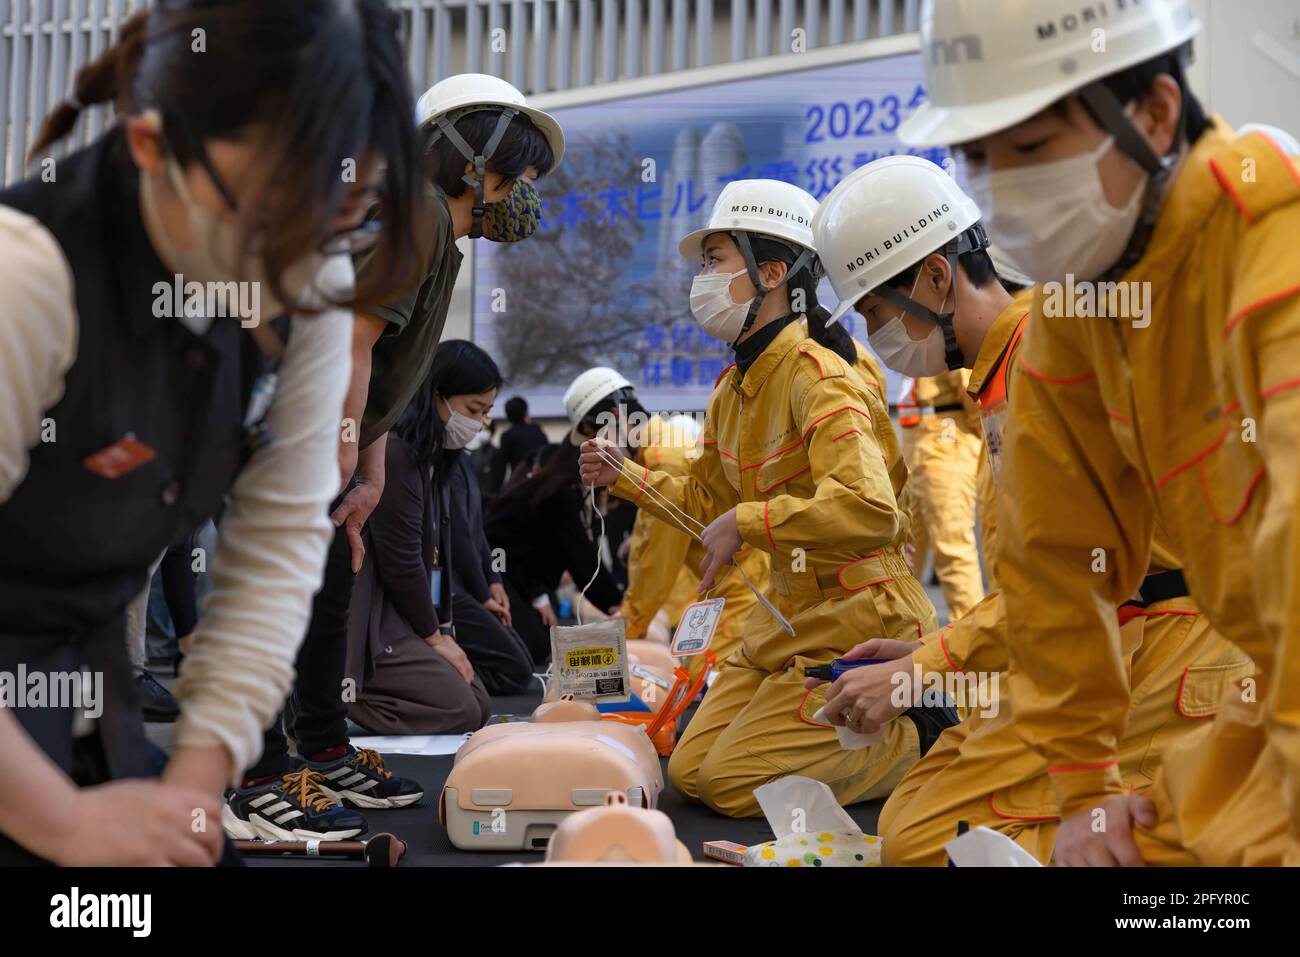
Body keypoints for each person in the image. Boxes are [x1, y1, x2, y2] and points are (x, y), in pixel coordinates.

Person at [0, 0, 429, 865]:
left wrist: (194, 795)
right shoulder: (28, 275)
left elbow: (274, 546)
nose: (300, 260)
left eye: (341, 211)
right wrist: (62, 823)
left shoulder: (310, 263)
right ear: (154, 147)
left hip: (84, 712)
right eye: (268, 218)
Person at [899, 0, 1300, 867]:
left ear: (1155, 112)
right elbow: (1054, 562)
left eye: (1032, 149)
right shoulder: (1084, 308)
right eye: (978, 157)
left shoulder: (1276, 248)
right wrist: (1084, 788)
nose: (1002, 188)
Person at [807, 155, 1251, 865]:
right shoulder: (1012, 369)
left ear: (935, 278)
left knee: (921, 836)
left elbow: (1071, 578)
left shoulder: (1044, 362)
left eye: (876, 312)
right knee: (917, 822)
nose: (876, 337)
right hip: (1121, 643)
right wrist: (930, 657)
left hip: (1169, 656)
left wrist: (926, 666)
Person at [232, 72, 564, 840]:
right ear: (463, 162)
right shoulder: (412, 212)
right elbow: (349, 339)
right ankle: (247, 782)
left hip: (315, 427)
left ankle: (317, 744)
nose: (523, 192)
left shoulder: (435, 234)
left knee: (325, 585)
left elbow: (384, 366)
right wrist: (340, 455)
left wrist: (369, 468)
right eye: (515, 173)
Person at [580, 179, 951, 818]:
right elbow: (706, 502)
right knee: (690, 773)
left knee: (729, 785)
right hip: (785, 617)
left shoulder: (819, 374)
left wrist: (748, 520)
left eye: (716, 260)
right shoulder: (733, 390)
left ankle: (929, 733)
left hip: (859, 616)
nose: (703, 278)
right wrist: (626, 478)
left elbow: (869, 510)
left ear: (772, 272)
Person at [343, 342, 506, 740]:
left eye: (486, 412)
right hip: (380, 622)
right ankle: (338, 697)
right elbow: (403, 563)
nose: (481, 423)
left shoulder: (436, 460)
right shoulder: (397, 455)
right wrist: (435, 638)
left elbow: (441, 556)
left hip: (410, 618)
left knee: (477, 704)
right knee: (462, 707)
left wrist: (445, 633)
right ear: (436, 394)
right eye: (473, 409)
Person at [563, 367, 770, 678]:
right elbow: (660, 537)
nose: (598, 449)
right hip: (733, 596)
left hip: (736, 604)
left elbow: (660, 560)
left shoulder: (665, 459)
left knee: (712, 703)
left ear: (612, 419)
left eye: (595, 436)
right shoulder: (662, 449)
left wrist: (630, 623)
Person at [486, 441, 625, 664]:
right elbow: (582, 559)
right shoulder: (559, 495)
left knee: (541, 636)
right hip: (499, 572)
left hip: (513, 572)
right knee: (531, 647)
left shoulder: (550, 489)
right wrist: (617, 604)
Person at [896, 371, 984, 618]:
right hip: (917, 451)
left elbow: (974, 394)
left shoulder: (948, 337)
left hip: (947, 449)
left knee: (952, 547)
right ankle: (902, 626)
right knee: (905, 553)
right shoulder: (921, 344)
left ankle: (972, 636)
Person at [500, 395, 549, 473]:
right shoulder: (536, 429)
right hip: (541, 478)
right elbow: (547, 452)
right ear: (526, 412)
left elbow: (502, 465)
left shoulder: (507, 436)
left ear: (508, 416)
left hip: (520, 481)